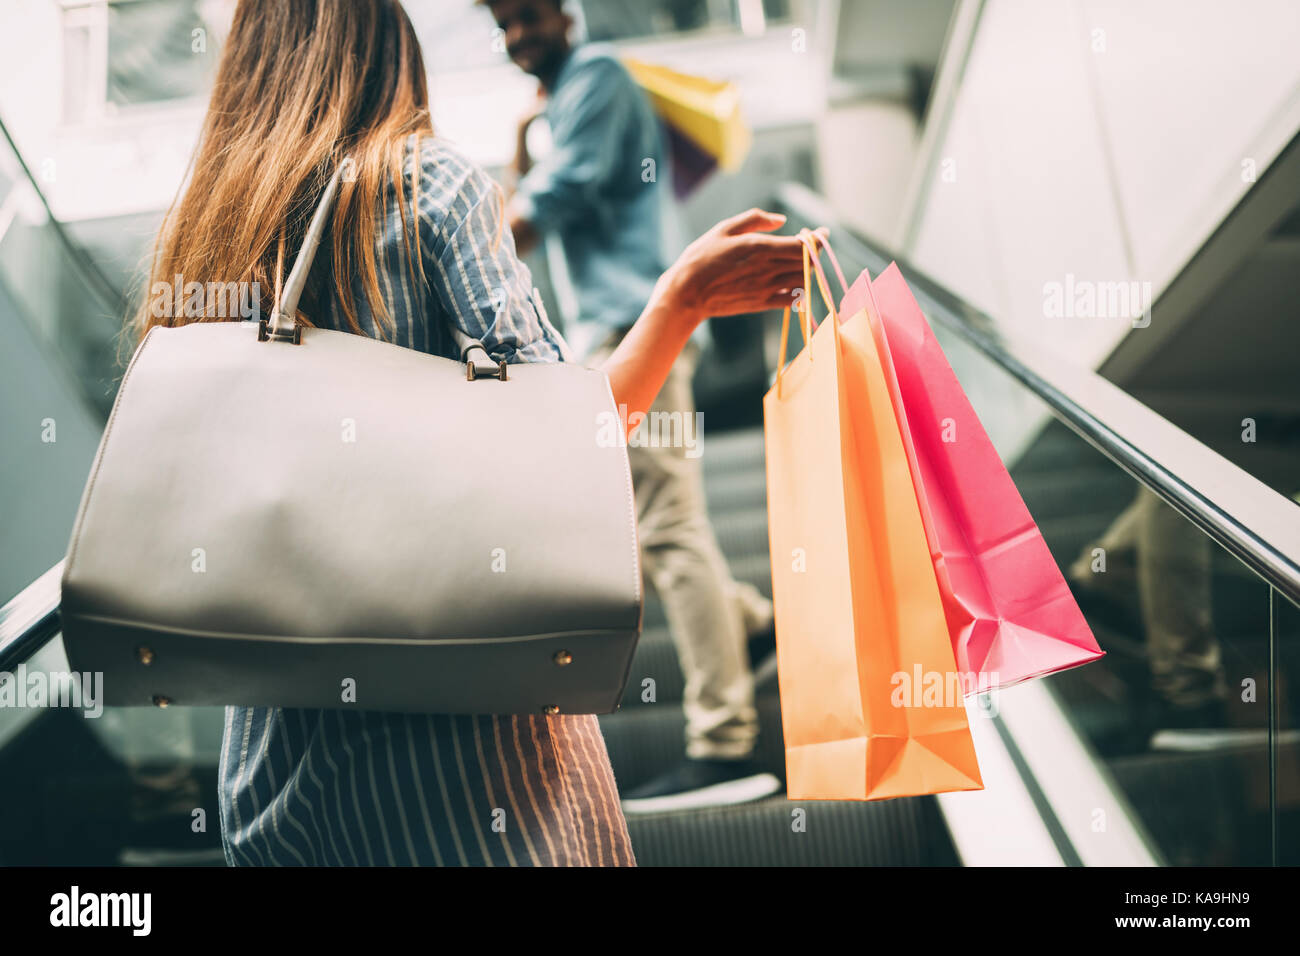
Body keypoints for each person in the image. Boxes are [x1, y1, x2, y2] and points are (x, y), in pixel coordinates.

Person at [133, 0, 808, 865]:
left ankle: (744, 621)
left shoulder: (208, 231)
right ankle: (744, 645)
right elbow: (562, 441)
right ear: (385, 50)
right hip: (469, 765)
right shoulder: (428, 180)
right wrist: (680, 301)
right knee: (668, 526)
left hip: (273, 769)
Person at [485, 0, 783, 814]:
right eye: (503, 25)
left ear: (566, 13)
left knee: (664, 525)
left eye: (530, 16)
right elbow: (552, 186)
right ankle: (752, 622)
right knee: (640, 528)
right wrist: (522, 149)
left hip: (635, 325)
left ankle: (724, 745)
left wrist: (465, 248)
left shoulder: (599, 78)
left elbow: (556, 199)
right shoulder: (569, 100)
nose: (518, 37)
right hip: (616, 331)